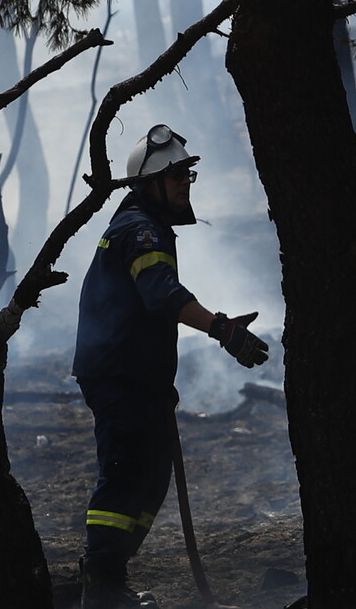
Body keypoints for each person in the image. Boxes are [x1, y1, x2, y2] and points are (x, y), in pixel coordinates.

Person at [73, 124, 269, 609]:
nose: (186, 183)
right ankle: (101, 588)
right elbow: (161, 293)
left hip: (134, 375)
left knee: (150, 476)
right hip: (119, 376)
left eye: (189, 174)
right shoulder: (140, 228)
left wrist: (159, 380)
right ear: (151, 182)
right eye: (177, 175)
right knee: (125, 474)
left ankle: (107, 580)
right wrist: (222, 329)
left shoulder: (142, 225)